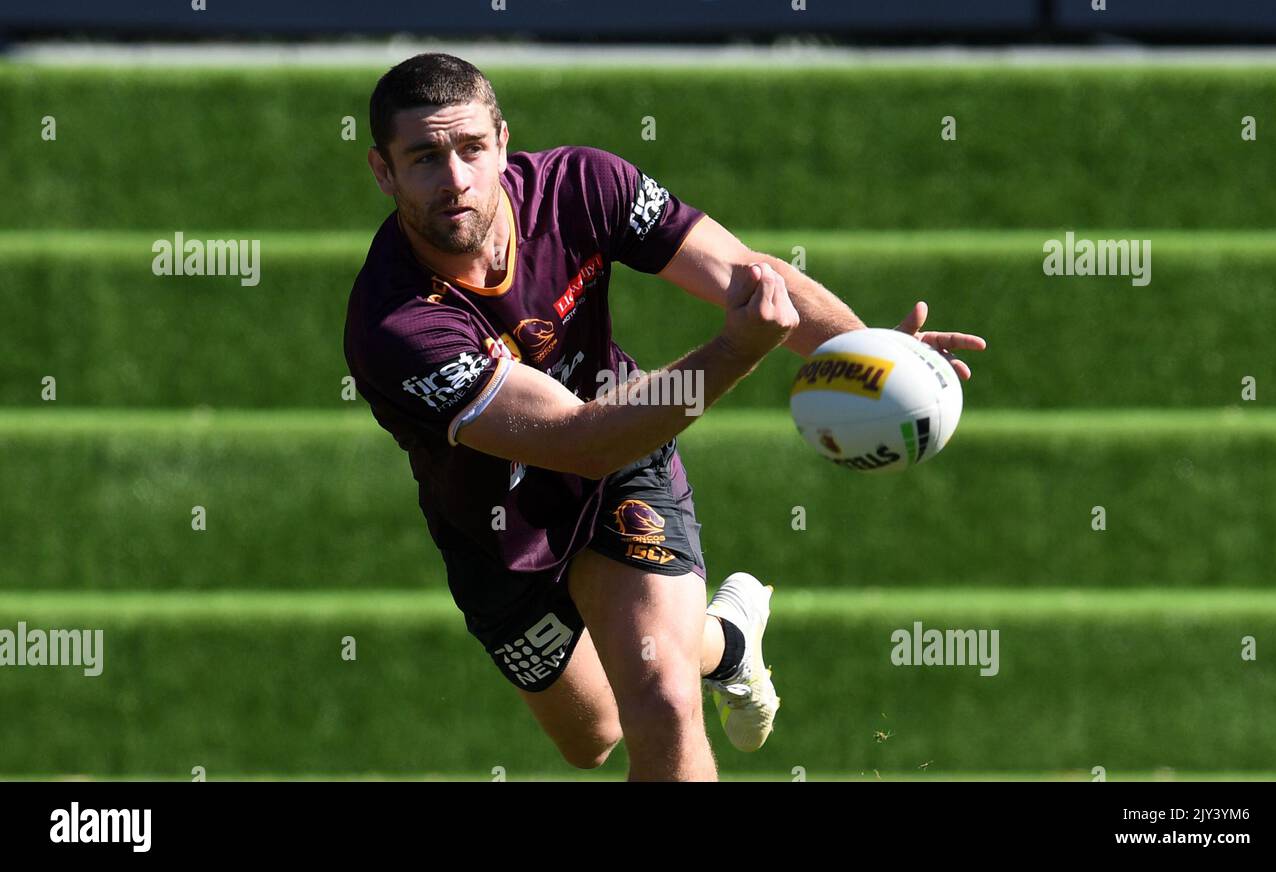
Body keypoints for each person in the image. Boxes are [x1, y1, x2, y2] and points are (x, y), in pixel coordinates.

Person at [343, 53, 986, 781]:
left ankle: (692, 654)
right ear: (382, 171)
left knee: (662, 700)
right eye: (424, 158)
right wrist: (735, 353)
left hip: (625, 459)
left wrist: (868, 359)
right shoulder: (396, 325)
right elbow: (571, 442)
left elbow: (746, 274)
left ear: (501, 141)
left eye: (470, 150)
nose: (455, 179)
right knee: (595, 736)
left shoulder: (581, 186)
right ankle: (726, 642)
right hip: (503, 528)